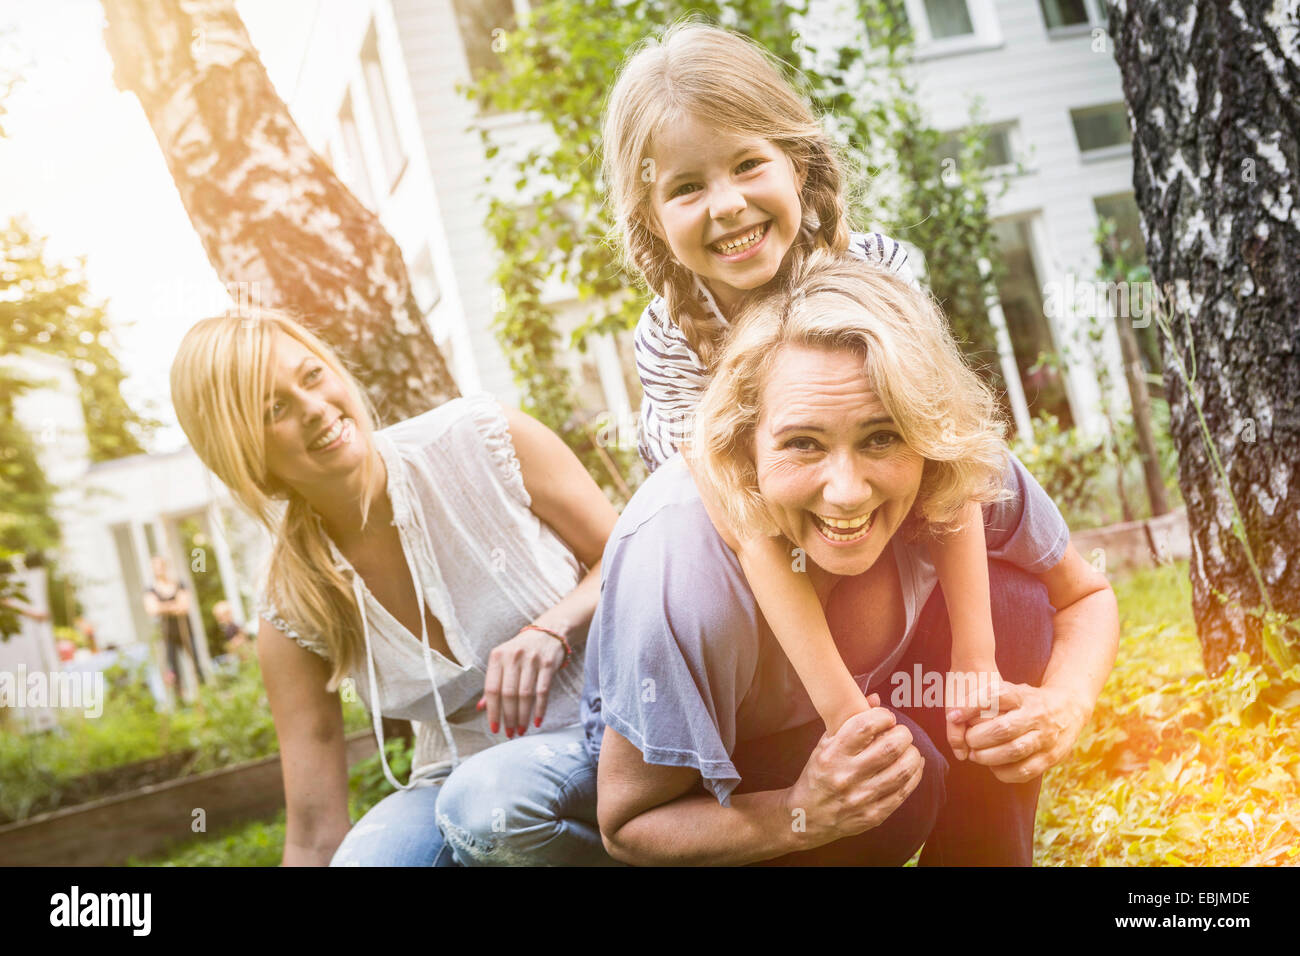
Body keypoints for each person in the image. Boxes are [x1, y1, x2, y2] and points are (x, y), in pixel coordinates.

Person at [437, 251, 1118, 865]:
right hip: (728, 768)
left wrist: (1062, 704)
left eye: (882, 437)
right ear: (743, 447)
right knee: (895, 783)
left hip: (858, 711)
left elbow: (1085, 597)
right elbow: (630, 822)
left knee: (1017, 602)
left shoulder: (958, 469)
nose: (847, 491)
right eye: (803, 444)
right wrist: (802, 814)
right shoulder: (683, 578)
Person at [603, 20, 1000, 745]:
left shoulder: (879, 271)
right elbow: (751, 531)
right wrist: (845, 716)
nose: (726, 205)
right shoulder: (669, 341)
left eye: (748, 165)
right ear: (653, 221)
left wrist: (976, 661)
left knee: (1007, 534)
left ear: (799, 164)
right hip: (761, 580)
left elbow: (948, 465)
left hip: (880, 532)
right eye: (688, 187)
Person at [169, 309, 618, 866]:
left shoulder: (478, 438)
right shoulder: (292, 601)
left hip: (603, 727)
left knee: (486, 808)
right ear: (243, 452)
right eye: (274, 410)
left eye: (311, 376)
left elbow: (627, 556)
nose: (314, 409)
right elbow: (313, 831)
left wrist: (554, 626)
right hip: (452, 780)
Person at [142, 555, 205, 693]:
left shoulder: (178, 584)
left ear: (165, 567)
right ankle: (180, 698)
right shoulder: (150, 589)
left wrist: (163, 606)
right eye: (155, 567)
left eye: (161, 566)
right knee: (172, 668)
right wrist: (173, 605)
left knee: (196, 662)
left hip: (185, 630)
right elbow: (152, 609)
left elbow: (184, 606)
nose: (159, 570)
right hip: (167, 633)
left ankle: (205, 692)